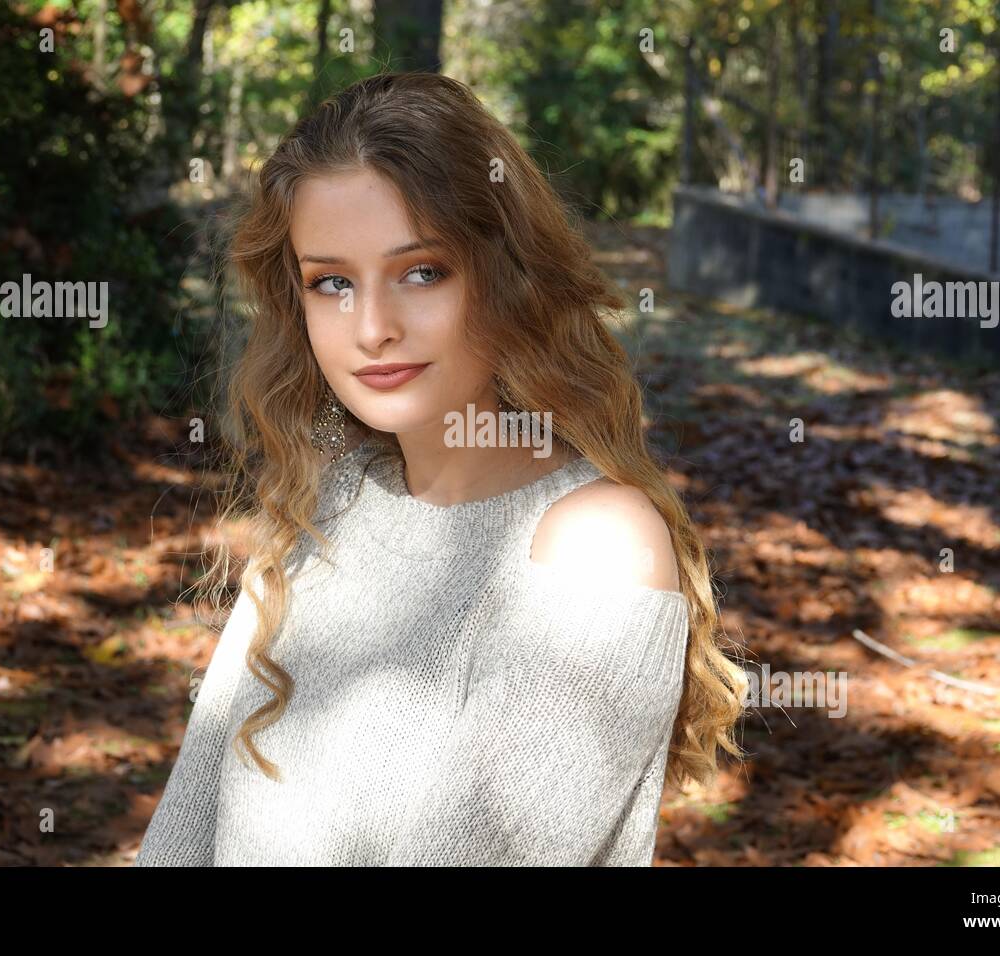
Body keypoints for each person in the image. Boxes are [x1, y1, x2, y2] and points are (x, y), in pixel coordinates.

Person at [135, 72, 746, 866]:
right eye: (332, 283)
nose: (374, 328)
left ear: (505, 279)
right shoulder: (331, 502)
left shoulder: (596, 547)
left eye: (421, 271)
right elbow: (182, 834)